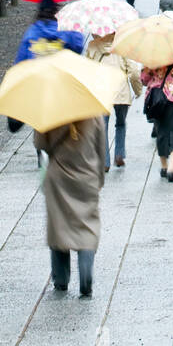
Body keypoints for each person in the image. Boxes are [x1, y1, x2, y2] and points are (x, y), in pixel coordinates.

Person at [34, 116, 106, 297]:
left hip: (58, 177)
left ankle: (61, 279)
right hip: (87, 175)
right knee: (87, 224)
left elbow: (40, 144)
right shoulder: (93, 115)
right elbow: (100, 149)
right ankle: (86, 271)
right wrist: (99, 179)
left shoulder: (51, 114)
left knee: (59, 225)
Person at [10, 0, 85, 145]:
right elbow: (78, 46)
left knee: (41, 122)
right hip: (62, 84)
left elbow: (21, 62)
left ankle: (42, 154)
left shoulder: (32, 32)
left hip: (38, 85)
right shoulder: (65, 28)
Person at [86, 32, 142, 170]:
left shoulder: (93, 46)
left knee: (102, 127)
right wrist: (137, 90)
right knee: (121, 123)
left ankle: (105, 162)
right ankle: (119, 154)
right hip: (121, 92)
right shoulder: (123, 45)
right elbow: (134, 71)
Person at [140, 58, 173, 181]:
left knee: (162, 132)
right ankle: (172, 167)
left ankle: (164, 166)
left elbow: (144, 79)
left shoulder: (152, 55)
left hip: (159, 99)